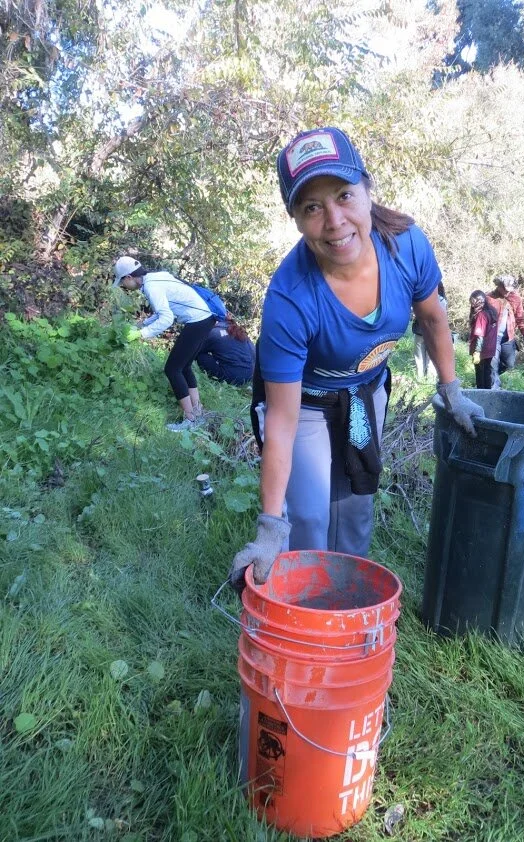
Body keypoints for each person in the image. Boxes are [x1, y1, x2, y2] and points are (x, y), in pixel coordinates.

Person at [229, 126, 484, 592]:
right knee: (306, 513)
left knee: (355, 501)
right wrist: (269, 528)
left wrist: (451, 391)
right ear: (296, 219)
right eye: (312, 207)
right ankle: (302, 603)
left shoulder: (405, 246)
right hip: (305, 404)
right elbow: (281, 424)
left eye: (344, 195)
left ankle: (344, 598)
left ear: (367, 190)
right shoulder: (290, 298)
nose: (334, 220)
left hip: (365, 396)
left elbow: (432, 319)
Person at [113, 256, 223, 431]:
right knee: (184, 366)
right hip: (206, 318)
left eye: (122, 283)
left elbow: (166, 318)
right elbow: (163, 311)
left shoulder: (151, 287)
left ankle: (191, 420)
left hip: (198, 321)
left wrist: (140, 334)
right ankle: (198, 412)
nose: (124, 287)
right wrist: (142, 324)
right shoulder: (156, 277)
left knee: (172, 369)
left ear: (129, 277)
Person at [488, 274, 524, 384]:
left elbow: (520, 317)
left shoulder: (515, 298)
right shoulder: (489, 298)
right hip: (493, 337)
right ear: (499, 286)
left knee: (509, 364)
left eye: (510, 290)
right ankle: (494, 388)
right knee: (493, 364)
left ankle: (491, 375)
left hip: (508, 337)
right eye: (505, 289)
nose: (508, 292)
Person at [195, 317, 255, 386]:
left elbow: (196, 349)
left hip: (234, 378)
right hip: (250, 376)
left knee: (200, 355)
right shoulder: (240, 332)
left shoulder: (215, 332)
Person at [412, 281, 447, 379]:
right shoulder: (442, 301)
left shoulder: (422, 298)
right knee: (430, 357)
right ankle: (428, 379)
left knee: (422, 357)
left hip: (422, 331)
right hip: (430, 333)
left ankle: (421, 378)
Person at [468, 290, 499, 390]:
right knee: (487, 373)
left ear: (478, 300)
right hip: (490, 349)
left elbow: (480, 335)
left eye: (472, 300)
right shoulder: (492, 312)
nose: (471, 304)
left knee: (480, 375)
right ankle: (488, 394)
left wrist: (477, 352)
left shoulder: (481, 315)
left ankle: (480, 395)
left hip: (481, 350)